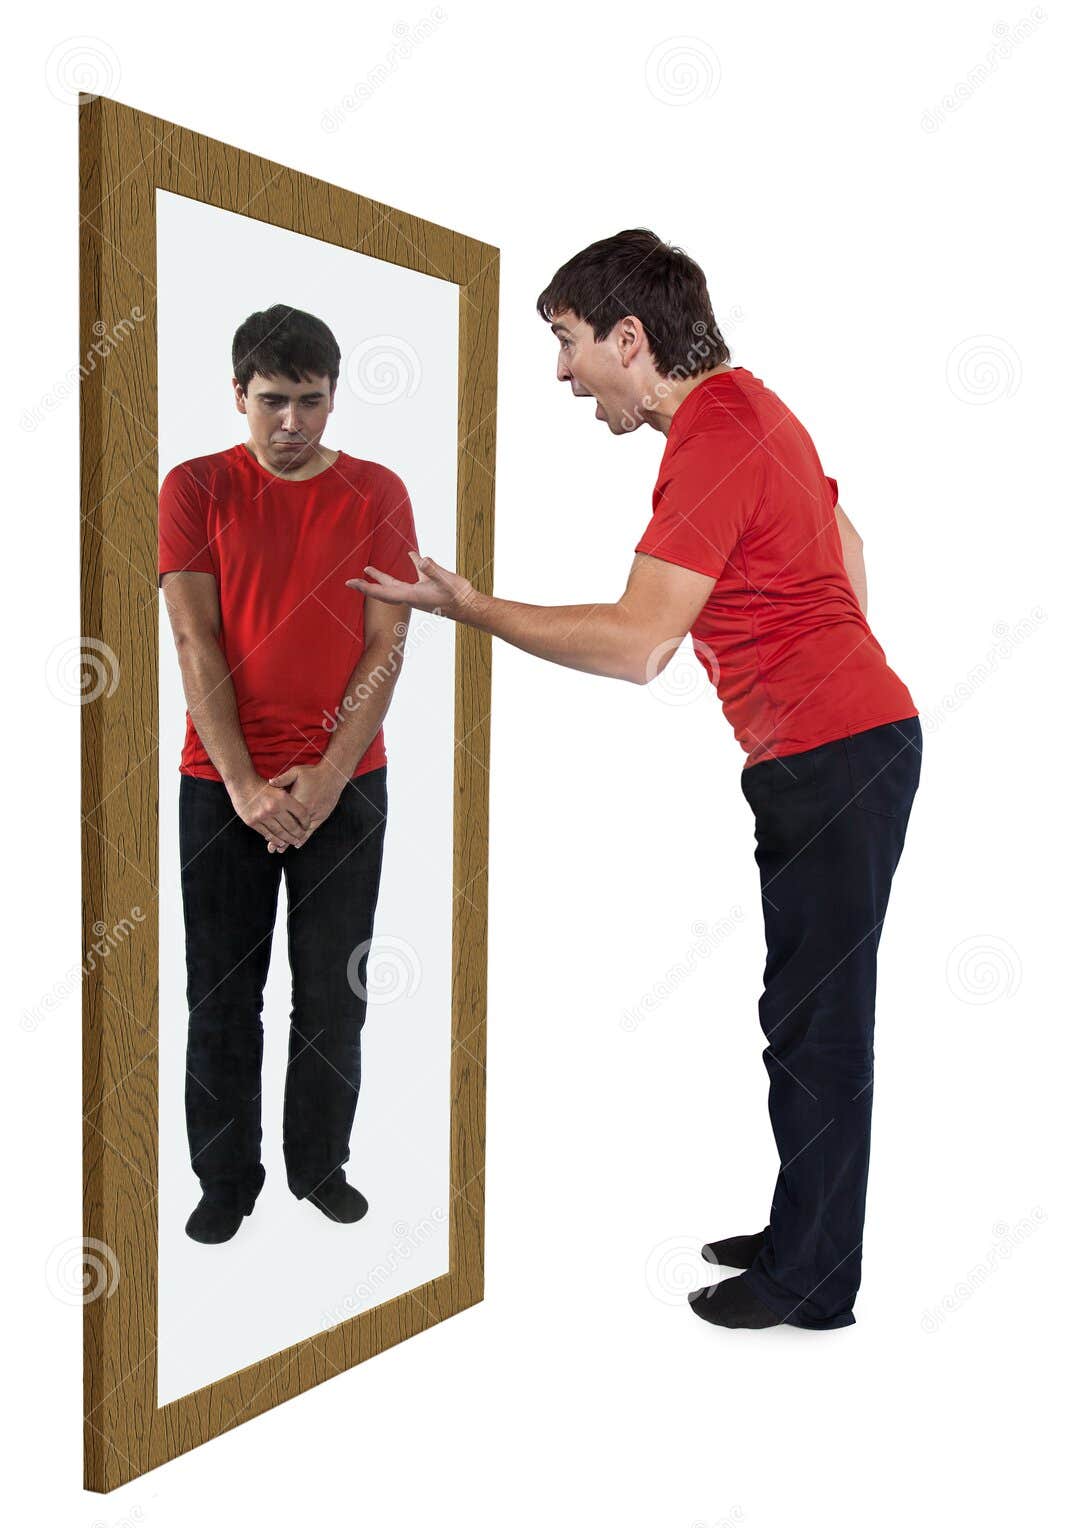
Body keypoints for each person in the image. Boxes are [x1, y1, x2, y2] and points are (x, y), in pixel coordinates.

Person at [350, 230, 922, 1331]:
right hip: (848, 743)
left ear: (628, 338)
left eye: (567, 342)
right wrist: (814, 660)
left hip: (832, 756)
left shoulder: (715, 433)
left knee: (818, 1019)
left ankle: (812, 1281)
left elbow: (635, 645)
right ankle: (805, 1232)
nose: (563, 374)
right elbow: (844, 550)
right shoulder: (756, 411)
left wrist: (470, 607)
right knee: (802, 1009)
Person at [158, 304, 419, 1245]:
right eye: (272, 401)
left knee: (332, 994)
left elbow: (388, 643)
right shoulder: (194, 487)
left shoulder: (378, 491)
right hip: (219, 786)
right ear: (238, 394)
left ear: (334, 395)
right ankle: (226, 1180)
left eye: (310, 401)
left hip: (345, 788)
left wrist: (331, 773)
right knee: (222, 996)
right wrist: (244, 786)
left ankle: (319, 1166)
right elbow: (194, 641)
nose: (292, 422)